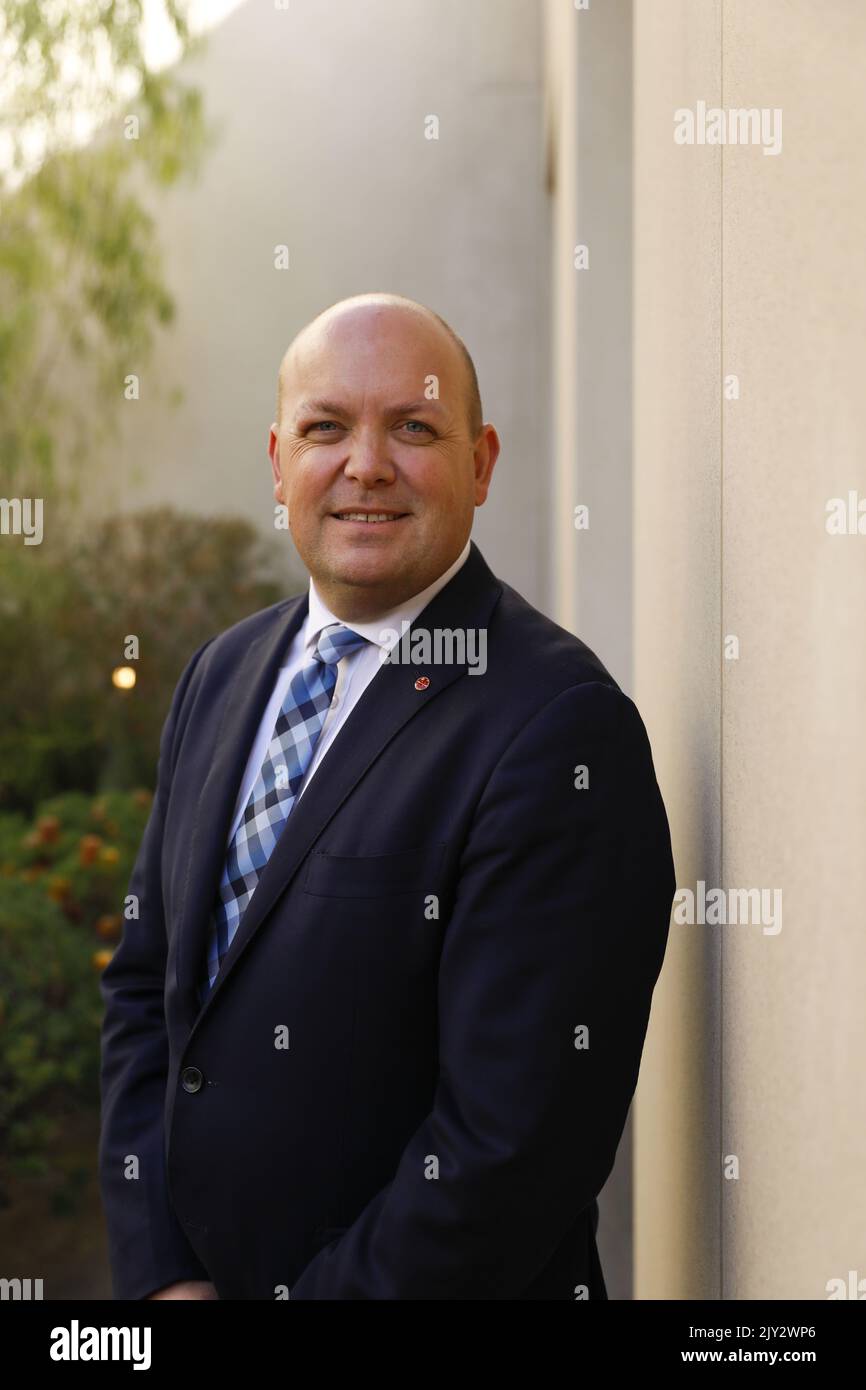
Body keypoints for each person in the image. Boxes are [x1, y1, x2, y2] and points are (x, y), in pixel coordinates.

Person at [98, 291, 676, 1300]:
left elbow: (510, 1144)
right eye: (326, 428)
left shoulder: (556, 727)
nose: (365, 465)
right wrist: (162, 1277)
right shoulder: (220, 675)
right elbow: (146, 995)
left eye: (412, 426)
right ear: (279, 462)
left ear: (481, 461)